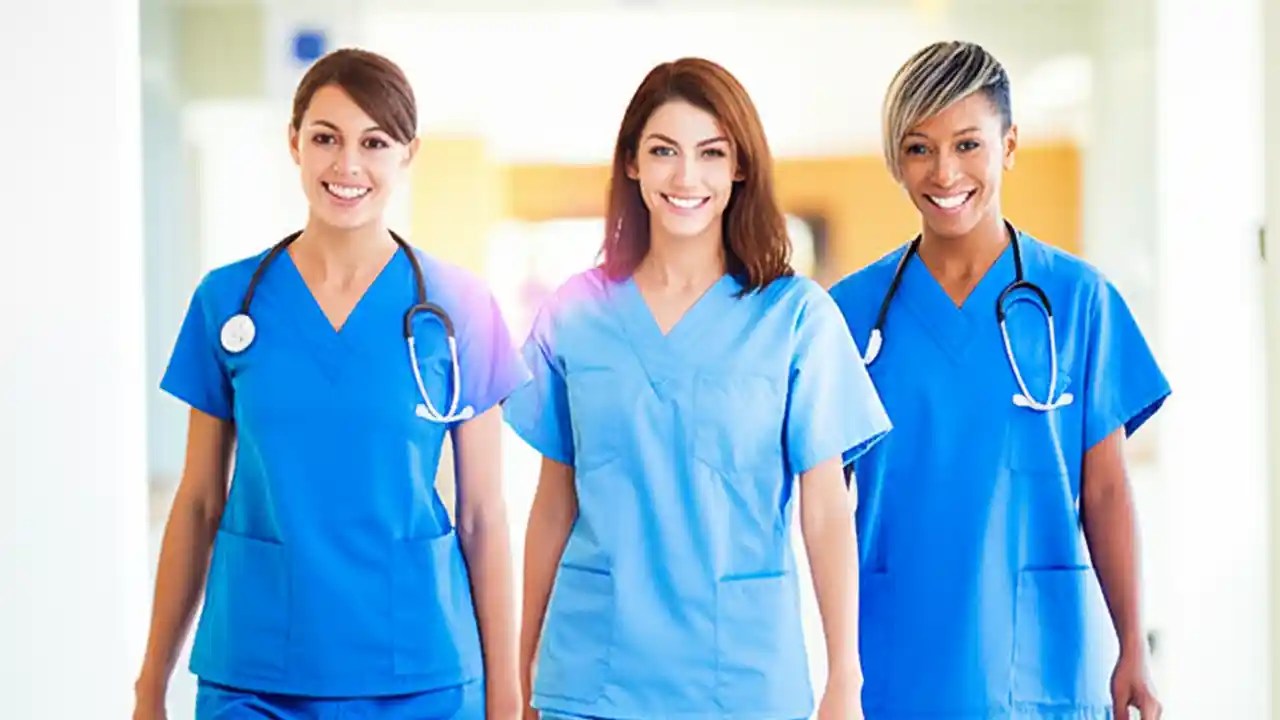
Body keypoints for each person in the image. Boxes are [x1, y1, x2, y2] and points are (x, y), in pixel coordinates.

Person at [132, 48, 529, 720]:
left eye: (374, 142)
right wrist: (150, 685)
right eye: (326, 138)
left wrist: (507, 696)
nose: (347, 166)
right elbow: (198, 501)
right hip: (255, 672)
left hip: (418, 673)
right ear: (294, 144)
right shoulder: (229, 301)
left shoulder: (459, 307)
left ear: (408, 155)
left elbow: (482, 515)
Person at [503, 57, 892, 720]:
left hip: (740, 678)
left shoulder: (795, 316)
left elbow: (825, 510)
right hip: (591, 674)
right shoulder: (577, 314)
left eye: (711, 153)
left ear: (740, 167)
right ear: (632, 163)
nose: (687, 177)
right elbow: (553, 502)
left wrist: (844, 680)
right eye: (663, 151)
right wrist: (521, 669)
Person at [829, 41, 1170, 720]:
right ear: (895, 158)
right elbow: (820, 507)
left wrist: (1134, 644)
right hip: (902, 662)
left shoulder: (1078, 300)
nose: (944, 171)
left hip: (1042, 661)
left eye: (968, 144)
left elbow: (1105, 489)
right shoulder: (850, 314)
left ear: (1008, 144)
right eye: (919, 148)